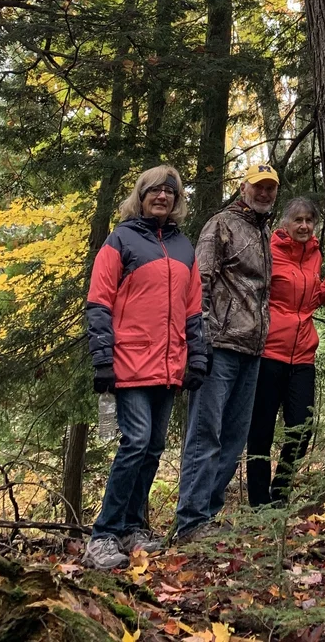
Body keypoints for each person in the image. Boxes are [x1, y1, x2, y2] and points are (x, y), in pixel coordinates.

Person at [84, 165, 207, 570]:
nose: (162, 197)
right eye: (154, 190)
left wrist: (198, 358)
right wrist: (102, 359)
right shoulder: (120, 240)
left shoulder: (185, 248)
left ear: (176, 200)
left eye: (170, 192)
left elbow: (193, 312)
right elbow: (99, 302)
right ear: (141, 195)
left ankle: (132, 527)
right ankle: (102, 534)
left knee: (153, 448)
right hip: (130, 362)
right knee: (135, 442)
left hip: (169, 366)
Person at [175, 162, 278, 540]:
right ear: (243, 187)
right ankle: (190, 521)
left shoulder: (262, 231)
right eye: (258, 186)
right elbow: (198, 282)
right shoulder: (221, 224)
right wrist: (198, 342)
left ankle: (209, 516)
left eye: (270, 188)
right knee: (206, 435)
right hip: (218, 346)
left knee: (234, 439)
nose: (264, 193)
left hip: (252, 349)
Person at [246, 196, 325, 506]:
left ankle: (280, 492)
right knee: (261, 433)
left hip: (303, 355)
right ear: (285, 224)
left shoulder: (314, 254)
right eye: (298, 220)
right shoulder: (269, 252)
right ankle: (259, 503)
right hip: (268, 355)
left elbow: (311, 299)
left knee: (301, 431)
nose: (304, 226)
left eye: (309, 220)